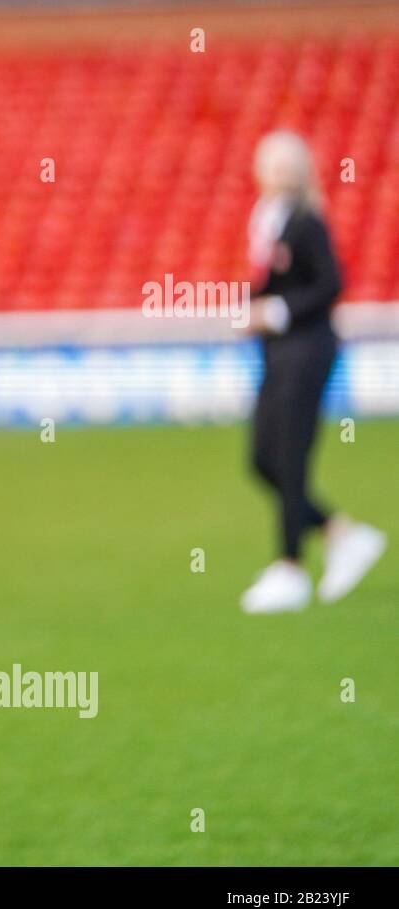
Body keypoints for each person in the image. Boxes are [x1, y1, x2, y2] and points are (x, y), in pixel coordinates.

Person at [238, 130, 385, 613]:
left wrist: (275, 310)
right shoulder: (268, 221)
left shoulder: (306, 222)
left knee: (291, 455)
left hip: (307, 350)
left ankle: (290, 566)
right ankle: (341, 533)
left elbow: (330, 284)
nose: (278, 172)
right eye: (271, 163)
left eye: (287, 163)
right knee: (263, 458)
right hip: (278, 353)